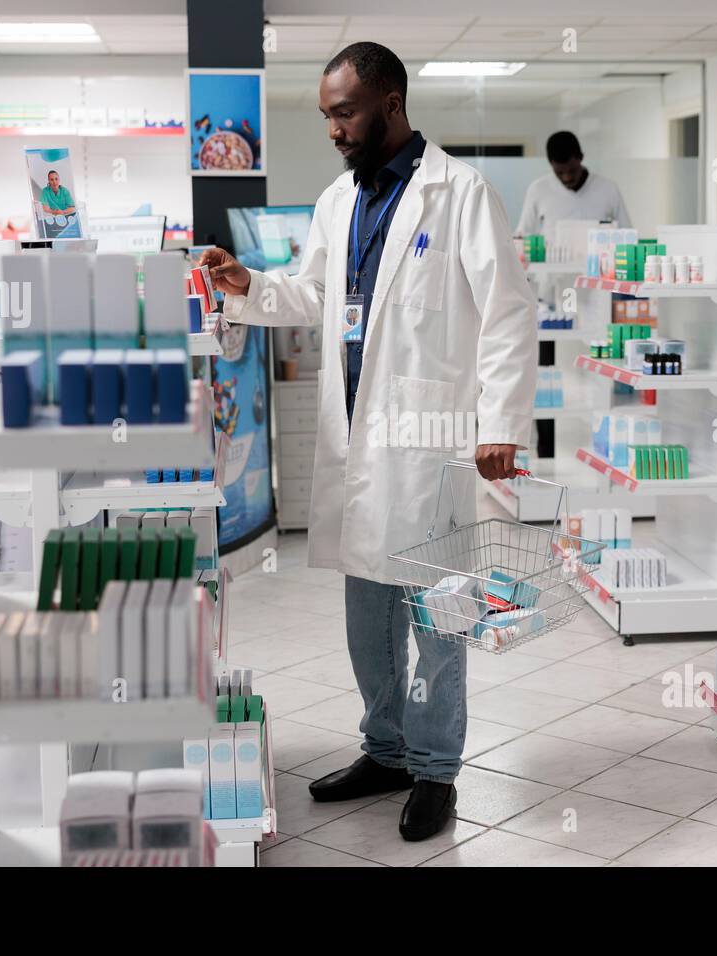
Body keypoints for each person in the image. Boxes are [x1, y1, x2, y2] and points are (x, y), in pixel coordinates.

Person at [200, 41, 536, 842]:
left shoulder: (461, 194)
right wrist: (251, 285)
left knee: (438, 617)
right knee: (366, 615)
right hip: (361, 439)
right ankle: (384, 749)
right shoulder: (335, 202)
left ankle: (435, 770)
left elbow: (507, 313)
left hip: (435, 442)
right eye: (325, 115)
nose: (333, 129)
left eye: (344, 112)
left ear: (390, 102)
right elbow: (316, 293)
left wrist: (500, 426)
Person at [517, 131, 631, 235]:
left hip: (599, 257)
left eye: (572, 171)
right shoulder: (538, 189)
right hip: (551, 257)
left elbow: (627, 233)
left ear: (581, 157)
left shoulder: (608, 188)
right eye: (560, 172)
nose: (567, 178)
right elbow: (522, 235)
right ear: (551, 164)